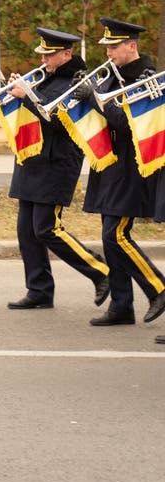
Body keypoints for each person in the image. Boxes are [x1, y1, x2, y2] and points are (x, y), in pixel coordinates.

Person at [6, 27, 110, 310]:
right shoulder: (45, 78)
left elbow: (61, 121)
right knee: (26, 230)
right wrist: (20, 90)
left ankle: (100, 271)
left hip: (57, 163)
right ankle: (39, 290)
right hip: (33, 160)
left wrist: (25, 97)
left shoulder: (78, 82)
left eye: (49, 56)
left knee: (46, 228)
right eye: (42, 55)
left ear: (67, 54)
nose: (43, 61)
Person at [80, 17, 165, 326]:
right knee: (109, 237)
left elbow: (130, 125)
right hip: (110, 166)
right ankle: (121, 305)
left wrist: (94, 99)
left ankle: (158, 287)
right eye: (106, 48)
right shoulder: (112, 76)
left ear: (132, 46)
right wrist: (83, 100)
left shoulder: (146, 78)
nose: (108, 54)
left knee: (115, 235)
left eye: (114, 47)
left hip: (132, 167)